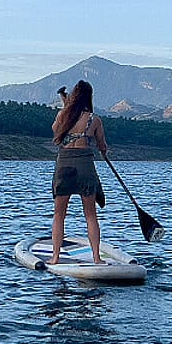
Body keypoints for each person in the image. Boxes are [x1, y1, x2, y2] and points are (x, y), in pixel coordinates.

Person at [50, 80, 108, 265]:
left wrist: (66, 109)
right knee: (90, 214)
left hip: (64, 164)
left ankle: (55, 257)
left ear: (73, 96)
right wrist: (104, 152)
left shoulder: (62, 115)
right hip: (85, 165)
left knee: (59, 214)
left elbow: (55, 130)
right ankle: (96, 258)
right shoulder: (94, 119)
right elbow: (102, 146)